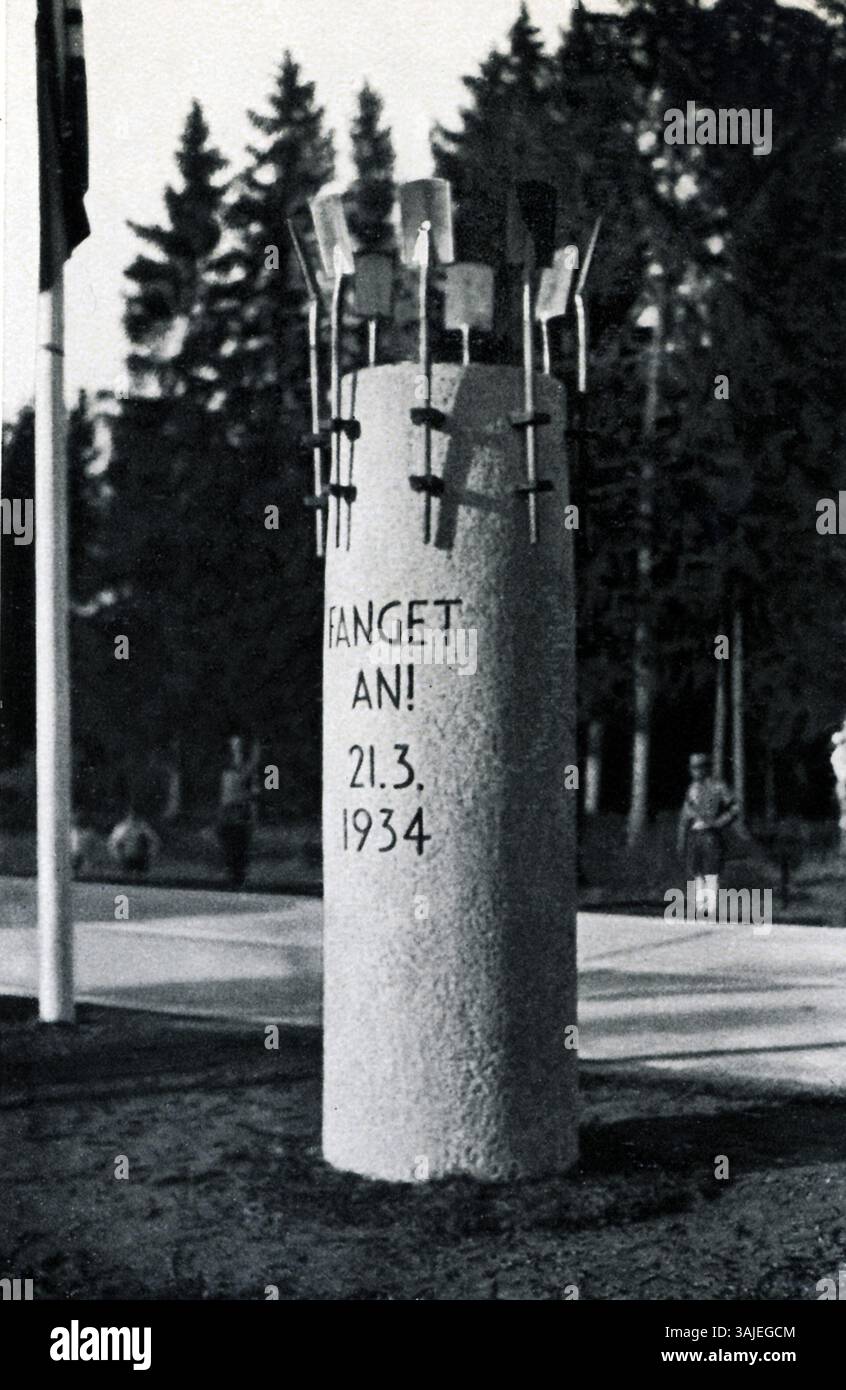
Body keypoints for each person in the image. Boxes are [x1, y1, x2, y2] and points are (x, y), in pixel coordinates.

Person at [677, 752, 739, 919]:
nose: (695, 771)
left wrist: (720, 822)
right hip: (694, 833)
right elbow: (685, 814)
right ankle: (700, 909)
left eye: (699, 767)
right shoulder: (692, 788)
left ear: (706, 768)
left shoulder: (718, 786)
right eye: (693, 767)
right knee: (696, 871)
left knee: (711, 872)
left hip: (711, 834)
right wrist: (681, 837)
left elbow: (734, 808)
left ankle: (711, 910)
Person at [216, 735, 259, 887]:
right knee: (231, 844)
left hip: (241, 812)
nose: (235, 752)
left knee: (240, 844)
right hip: (230, 811)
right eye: (233, 748)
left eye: (237, 748)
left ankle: (238, 874)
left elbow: (261, 789)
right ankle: (233, 874)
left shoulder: (259, 770)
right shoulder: (227, 772)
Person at [108, 809, 160, 877]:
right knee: (126, 879)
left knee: (142, 879)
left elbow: (154, 842)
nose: (133, 818)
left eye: (136, 816)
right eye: (131, 816)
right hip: (126, 859)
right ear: (127, 817)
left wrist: (151, 855)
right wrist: (117, 856)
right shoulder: (121, 829)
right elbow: (114, 843)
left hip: (141, 859)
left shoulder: (144, 828)